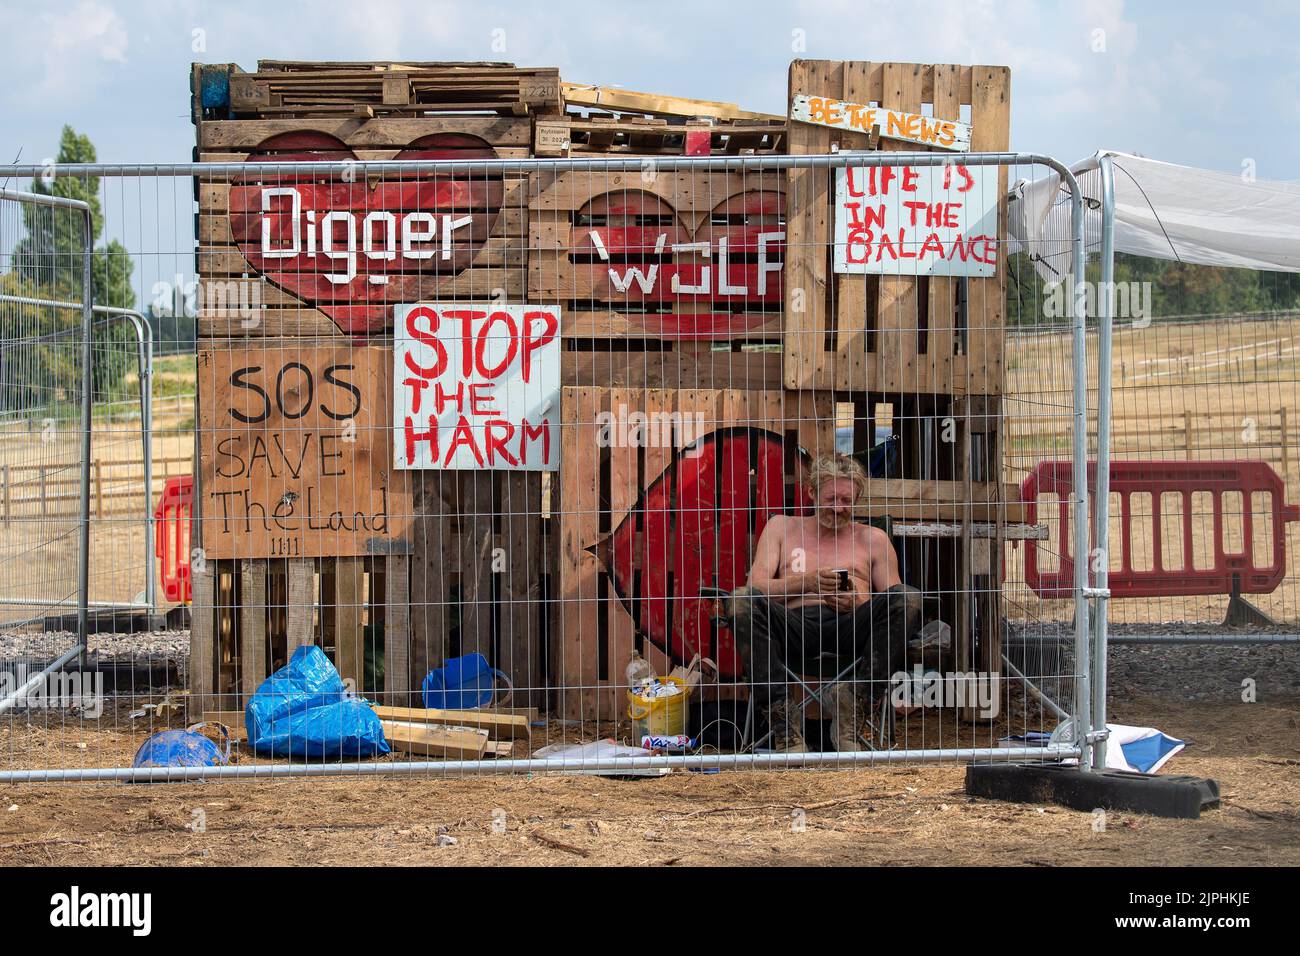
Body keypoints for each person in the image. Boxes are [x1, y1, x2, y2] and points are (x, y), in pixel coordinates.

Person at [727, 453, 922, 753]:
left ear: (857, 498)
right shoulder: (781, 528)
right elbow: (755, 587)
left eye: (847, 500)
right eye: (831, 498)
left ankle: (854, 705)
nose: (838, 508)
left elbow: (894, 602)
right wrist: (807, 583)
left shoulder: (874, 539)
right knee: (741, 601)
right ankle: (784, 727)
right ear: (811, 493)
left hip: (850, 629)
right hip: (794, 628)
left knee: (908, 597)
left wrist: (857, 600)